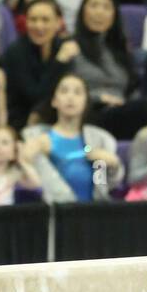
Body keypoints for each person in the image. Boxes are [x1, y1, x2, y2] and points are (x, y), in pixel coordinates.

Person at [63, 0, 147, 139]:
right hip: (89, 113)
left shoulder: (120, 50)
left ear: (114, 16)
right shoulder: (70, 46)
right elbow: (62, 88)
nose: (99, 12)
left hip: (121, 112)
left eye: (106, 7)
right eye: (94, 6)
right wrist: (99, 98)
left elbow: (132, 87)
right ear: (83, 11)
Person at [22, 74, 123, 202]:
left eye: (77, 92)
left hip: (93, 214)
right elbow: (30, 186)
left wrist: (114, 165)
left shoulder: (96, 141)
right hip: (55, 215)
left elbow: (107, 186)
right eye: (64, 91)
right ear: (54, 101)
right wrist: (26, 161)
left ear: (86, 102)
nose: (70, 97)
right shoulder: (40, 140)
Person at [0, 0, 77, 131]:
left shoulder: (63, 47)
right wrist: (59, 62)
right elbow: (34, 95)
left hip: (58, 118)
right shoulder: (16, 52)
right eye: (33, 20)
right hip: (21, 123)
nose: (38, 25)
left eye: (45, 20)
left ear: (58, 23)